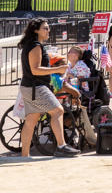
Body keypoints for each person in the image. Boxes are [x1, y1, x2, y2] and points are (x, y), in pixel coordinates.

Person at [18, 19, 80, 157]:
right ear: (36, 30)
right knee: (58, 110)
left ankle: (24, 155)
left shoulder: (31, 45)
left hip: (29, 87)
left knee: (31, 120)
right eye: (45, 28)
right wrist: (58, 69)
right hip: (36, 86)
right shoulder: (35, 46)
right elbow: (35, 70)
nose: (48, 31)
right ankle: (61, 146)